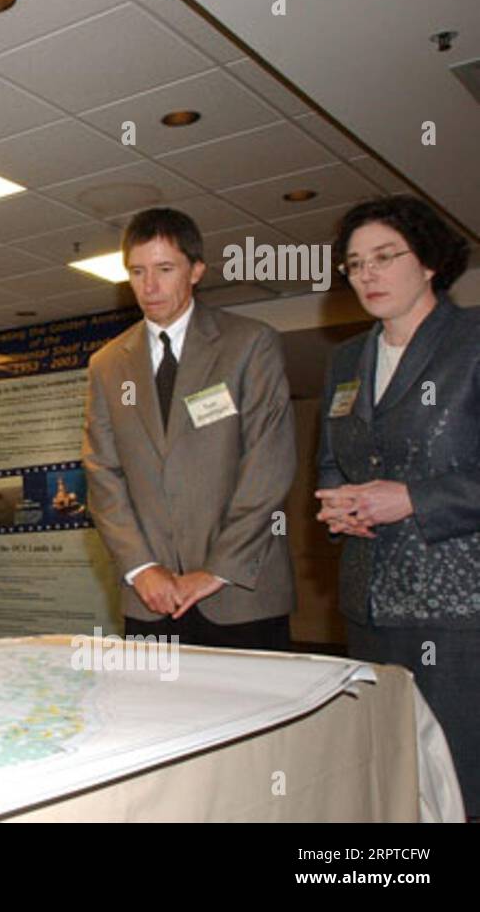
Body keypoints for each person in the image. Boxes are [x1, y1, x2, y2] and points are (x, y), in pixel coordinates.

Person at [315, 194, 477, 817]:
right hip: (369, 605)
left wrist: (413, 499)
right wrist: (339, 509)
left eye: (385, 257)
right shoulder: (346, 360)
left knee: (459, 781)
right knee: (387, 780)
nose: (368, 275)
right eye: (355, 265)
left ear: (431, 261)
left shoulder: (472, 342)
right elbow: (334, 459)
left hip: (459, 613)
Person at [82, 208, 296, 649]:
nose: (150, 286)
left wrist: (216, 569)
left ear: (196, 270)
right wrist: (141, 568)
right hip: (150, 599)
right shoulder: (106, 365)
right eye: (137, 272)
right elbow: (103, 474)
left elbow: (267, 465)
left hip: (240, 595)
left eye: (164, 269)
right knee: (155, 717)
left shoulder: (249, 344)